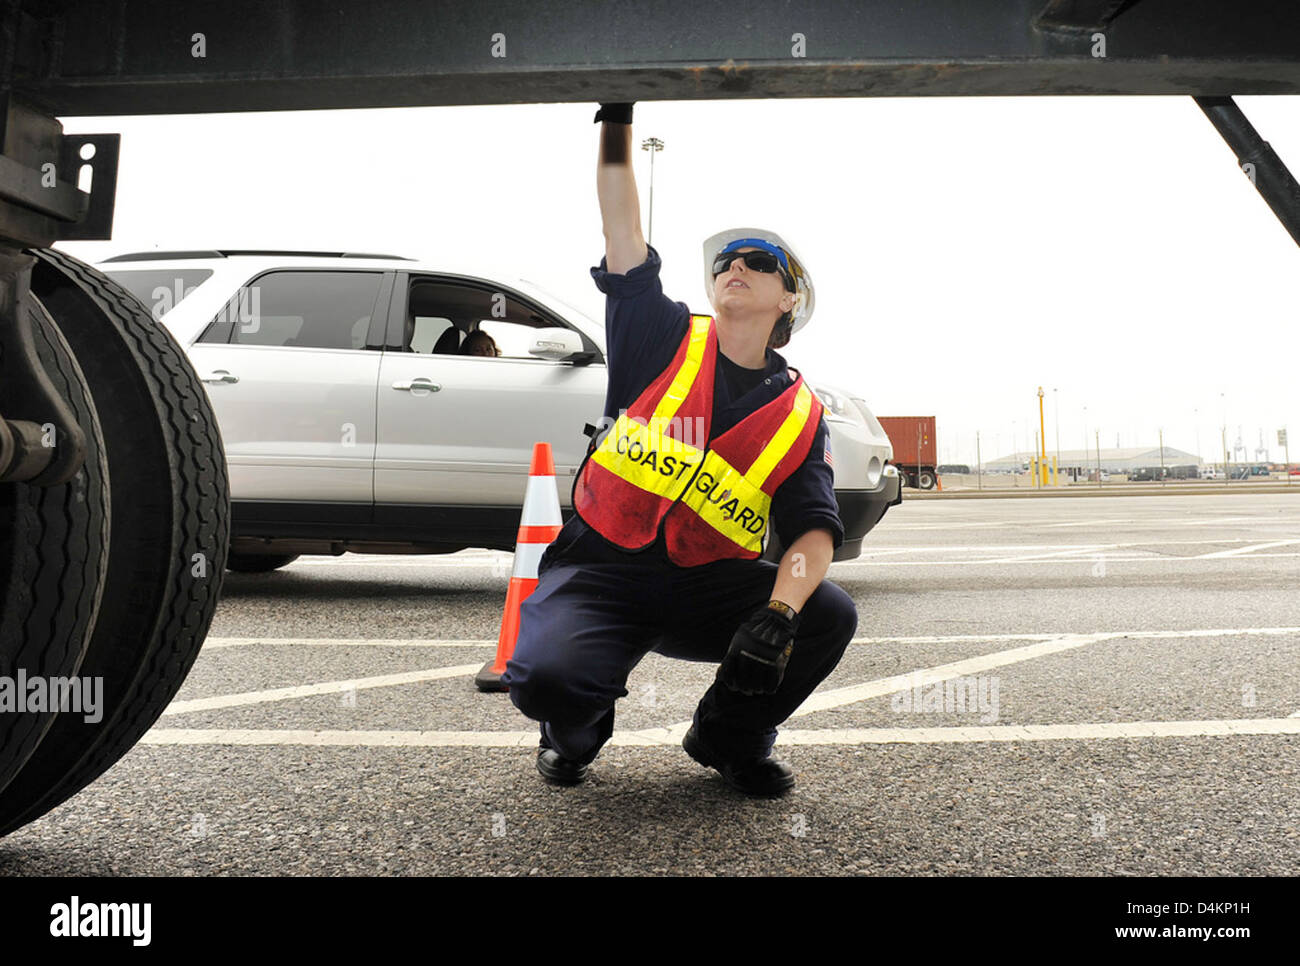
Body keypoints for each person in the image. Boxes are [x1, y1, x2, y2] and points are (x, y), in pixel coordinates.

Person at [498, 102, 857, 797]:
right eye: (727, 261)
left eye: (761, 263)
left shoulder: (800, 412)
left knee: (829, 613)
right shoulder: (659, 336)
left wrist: (779, 615)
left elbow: (814, 528)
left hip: (710, 586)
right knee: (548, 677)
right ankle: (575, 731)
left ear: (789, 299)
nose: (737, 268)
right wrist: (617, 117)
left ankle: (729, 736)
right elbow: (621, 224)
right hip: (603, 572)